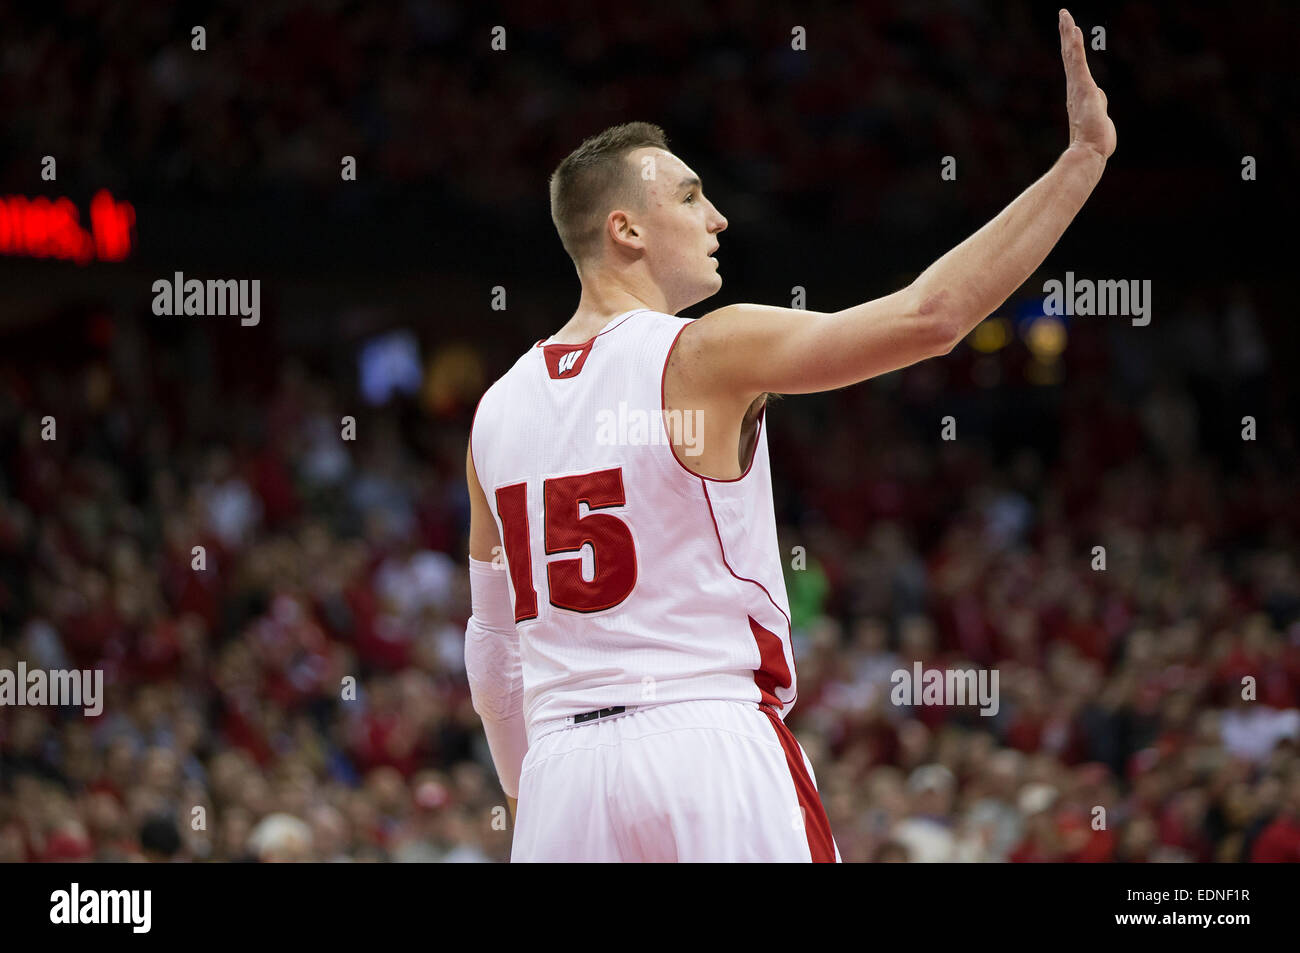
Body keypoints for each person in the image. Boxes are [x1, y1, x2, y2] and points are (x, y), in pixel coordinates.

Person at [464, 9, 1116, 861]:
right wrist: (1081, 163)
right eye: (692, 196)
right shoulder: (705, 348)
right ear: (625, 227)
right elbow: (933, 316)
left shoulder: (495, 409)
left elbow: (492, 656)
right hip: (708, 745)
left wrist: (534, 791)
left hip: (560, 778)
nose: (720, 218)